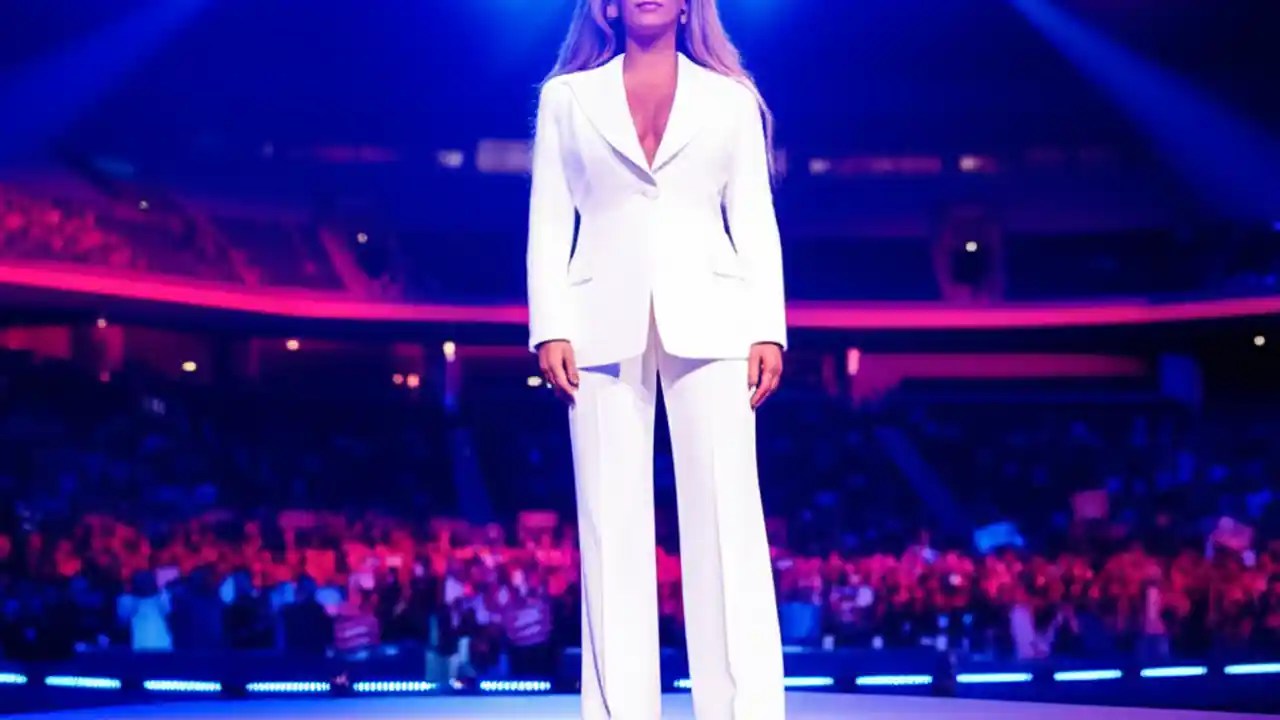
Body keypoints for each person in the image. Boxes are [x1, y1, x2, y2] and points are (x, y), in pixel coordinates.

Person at [527, 0, 786, 717]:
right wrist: (549, 324)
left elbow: (754, 217)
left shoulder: (730, 100)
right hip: (595, 322)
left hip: (716, 319)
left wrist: (769, 327)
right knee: (610, 531)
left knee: (729, 522)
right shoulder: (566, 99)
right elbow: (549, 219)